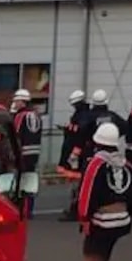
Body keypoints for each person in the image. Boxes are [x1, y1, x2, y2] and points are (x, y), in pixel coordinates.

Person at [75, 122, 132, 261]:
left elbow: (86, 192)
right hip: (121, 220)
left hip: (101, 221)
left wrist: (83, 217)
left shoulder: (96, 163)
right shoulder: (124, 163)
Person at [57, 90, 90, 222]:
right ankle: (76, 209)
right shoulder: (84, 115)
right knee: (78, 184)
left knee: (77, 184)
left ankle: (75, 210)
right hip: (79, 154)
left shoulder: (82, 117)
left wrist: (74, 154)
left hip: (77, 155)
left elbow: (79, 135)